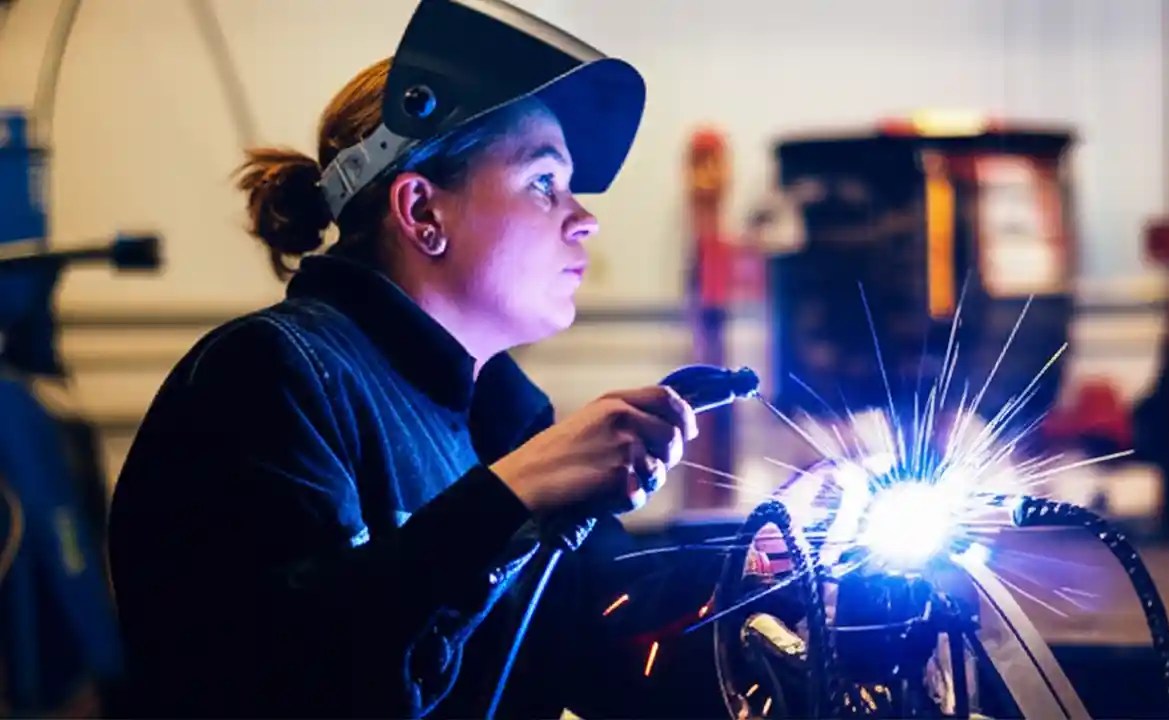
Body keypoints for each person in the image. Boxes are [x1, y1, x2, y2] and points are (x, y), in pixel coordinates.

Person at [106, 2, 728, 717]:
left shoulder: (501, 414)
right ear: (422, 213)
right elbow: (286, 679)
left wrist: (769, 573)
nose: (583, 218)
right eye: (543, 183)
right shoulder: (272, 377)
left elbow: (614, 638)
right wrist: (511, 494)